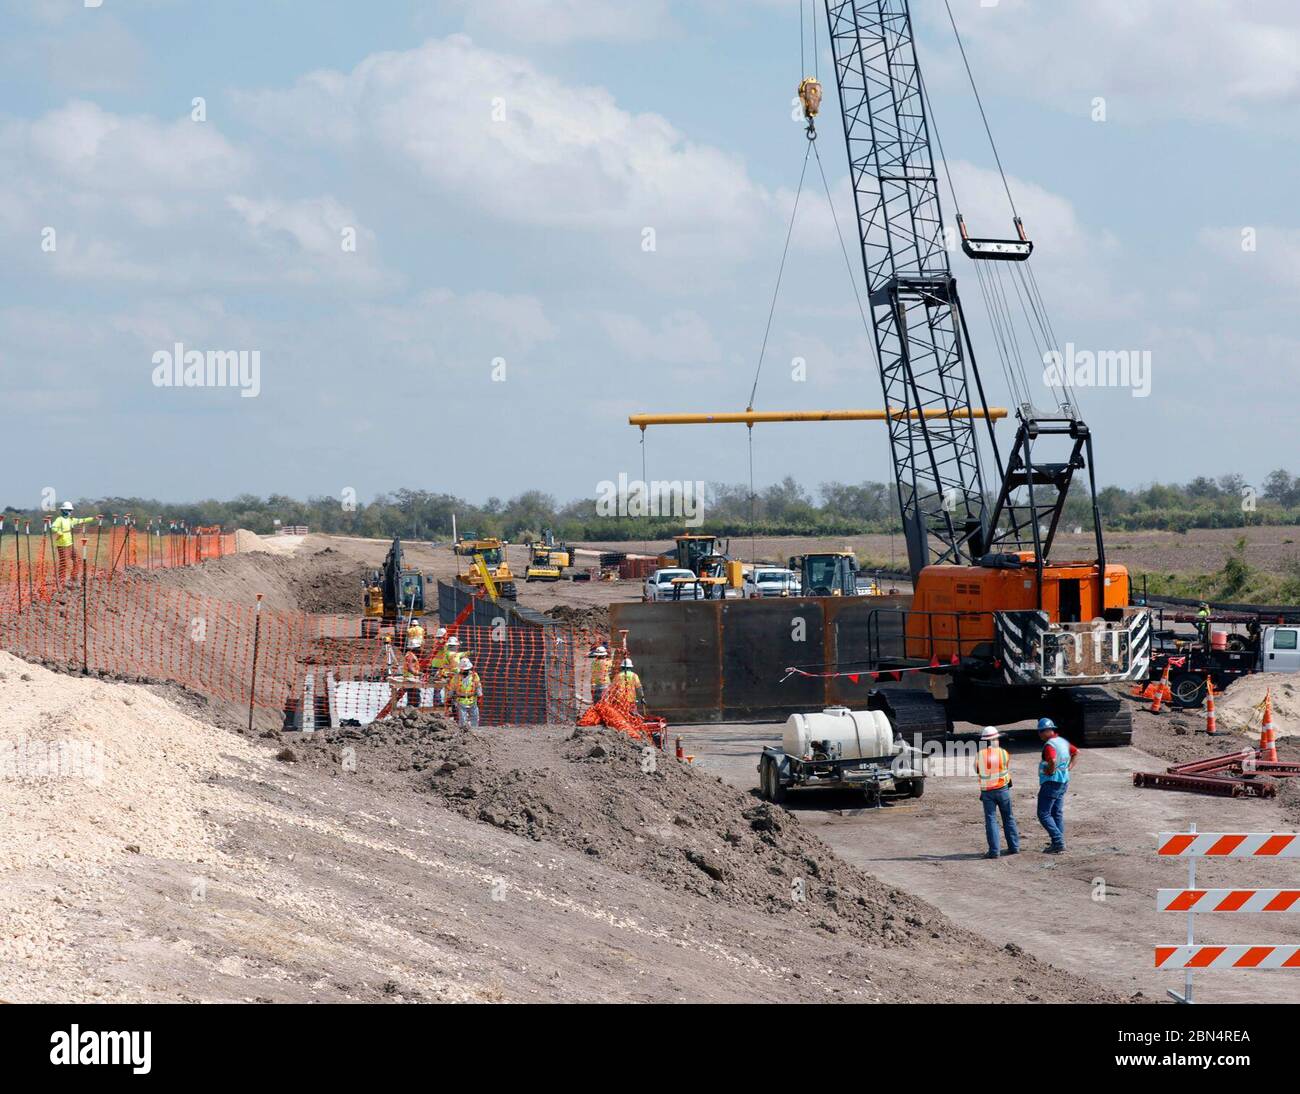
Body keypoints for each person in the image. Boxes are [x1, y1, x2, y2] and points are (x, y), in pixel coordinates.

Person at [975, 726, 1019, 859]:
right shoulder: (1004, 753)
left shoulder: (980, 755)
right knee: (1009, 818)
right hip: (1003, 790)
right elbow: (1005, 767)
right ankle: (1014, 847)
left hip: (988, 792)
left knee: (991, 820)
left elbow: (977, 770)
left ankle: (994, 851)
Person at [1036, 717, 1077, 854]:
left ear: (1048, 731)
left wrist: (1051, 770)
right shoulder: (1062, 741)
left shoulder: (1050, 745)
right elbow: (1076, 752)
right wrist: (1070, 766)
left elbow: (1052, 760)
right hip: (1063, 781)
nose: (1040, 734)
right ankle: (1058, 842)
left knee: (1043, 814)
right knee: (1056, 812)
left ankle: (1058, 841)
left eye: (1041, 731)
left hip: (1051, 783)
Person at [50, 502, 94, 588]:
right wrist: (59, 532)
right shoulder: (59, 519)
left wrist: (93, 518)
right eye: (68, 510)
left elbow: (81, 520)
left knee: (77, 559)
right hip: (62, 545)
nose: (70, 512)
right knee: (64, 563)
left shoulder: (71, 519)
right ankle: (61, 580)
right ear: (63, 510)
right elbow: (53, 527)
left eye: (71, 510)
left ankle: (74, 577)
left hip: (70, 544)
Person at [431, 635, 460, 708]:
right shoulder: (444, 648)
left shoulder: (447, 649)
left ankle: (445, 703)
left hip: (444, 670)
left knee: (446, 688)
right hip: (443, 670)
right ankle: (442, 703)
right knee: (442, 687)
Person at [455, 659, 483, 727]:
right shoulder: (456, 677)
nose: (465, 670)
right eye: (463, 669)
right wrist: (449, 697)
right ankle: (463, 733)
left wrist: (480, 696)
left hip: (472, 700)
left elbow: (478, 686)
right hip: (461, 701)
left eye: (466, 669)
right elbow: (452, 687)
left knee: (475, 717)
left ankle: (475, 731)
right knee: (462, 720)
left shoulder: (474, 675)